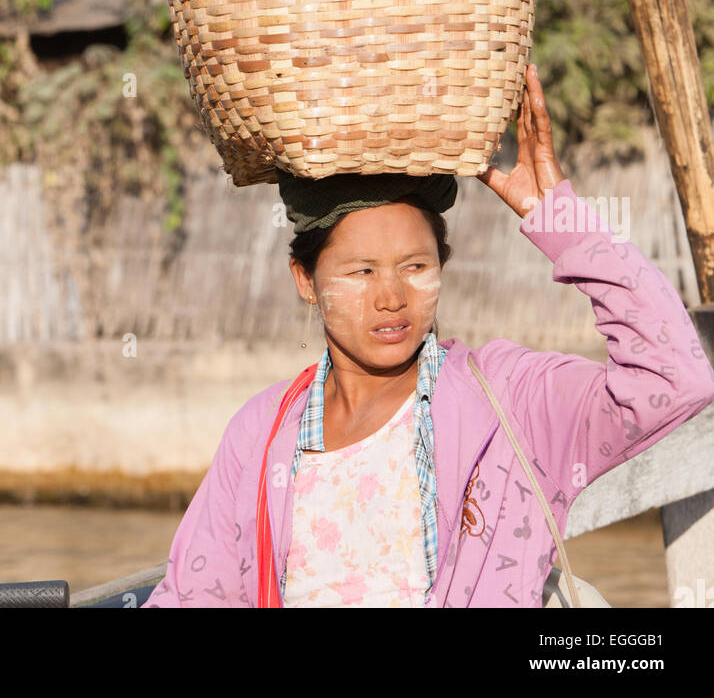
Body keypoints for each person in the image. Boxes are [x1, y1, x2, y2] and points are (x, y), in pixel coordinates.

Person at [142, 65, 714, 607]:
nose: (391, 297)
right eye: (361, 272)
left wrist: (562, 223)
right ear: (306, 280)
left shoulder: (513, 402)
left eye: (415, 267)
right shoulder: (262, 434)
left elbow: (676, 376)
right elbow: (195, 594)